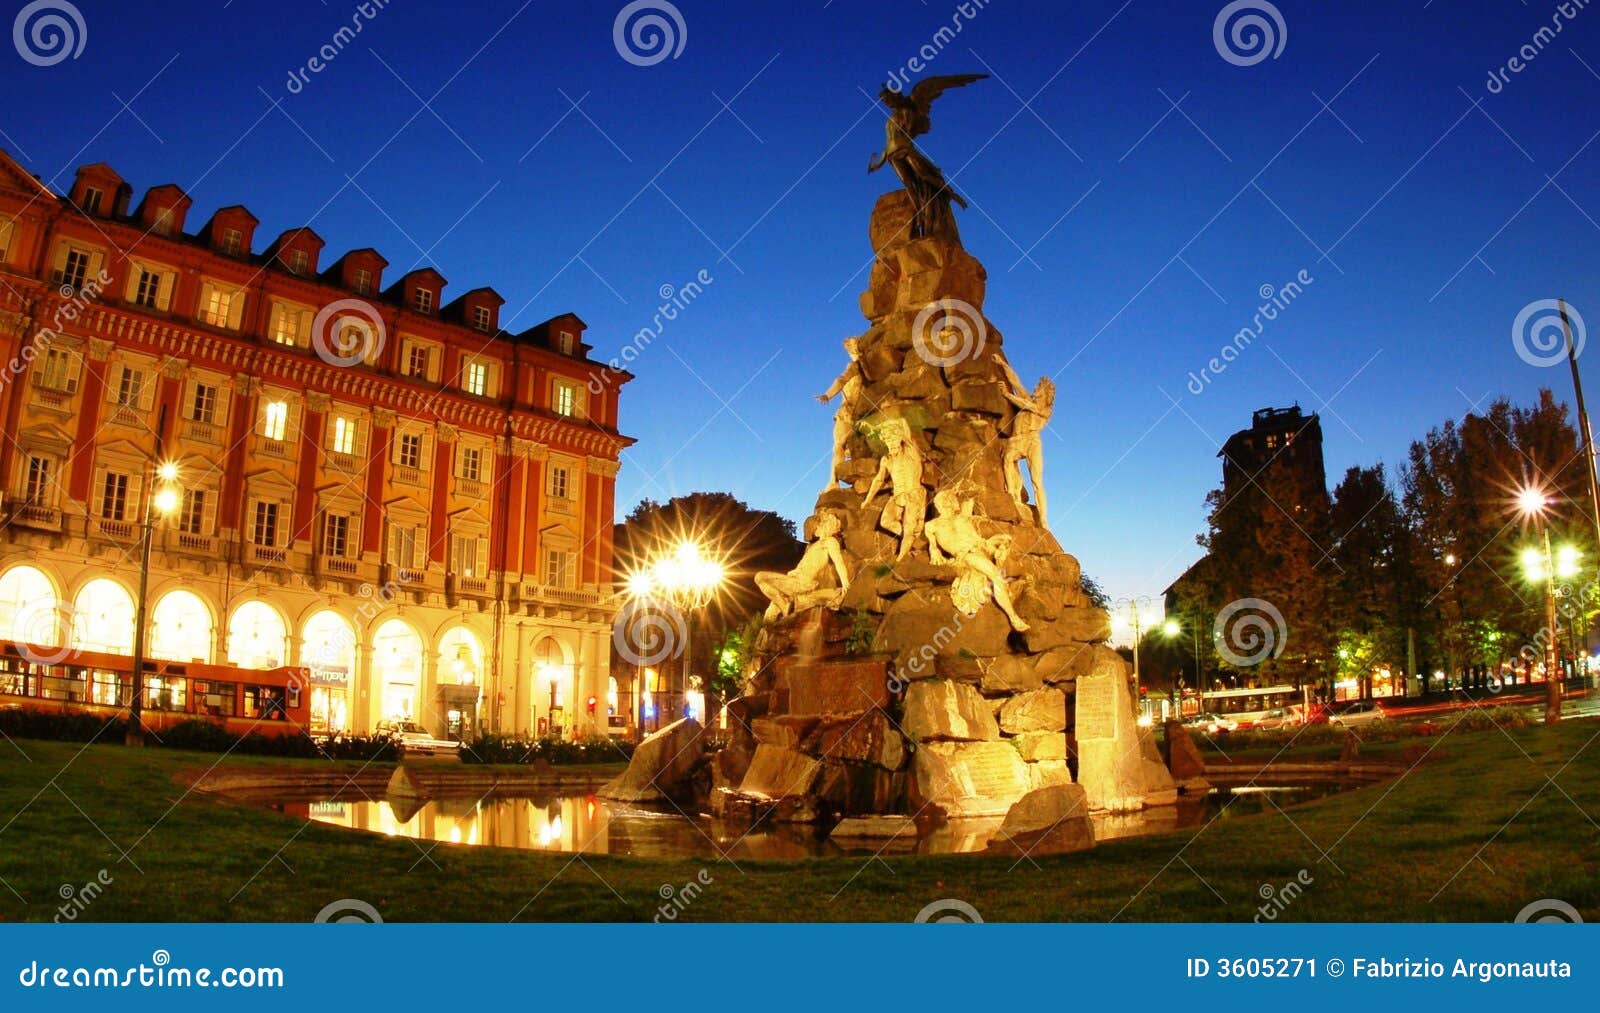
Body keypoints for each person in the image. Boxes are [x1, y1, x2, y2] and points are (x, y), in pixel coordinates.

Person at [755, 511, 852, 620]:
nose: (818, 526)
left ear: (830, 526)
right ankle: (785, 607)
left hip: (802, 583)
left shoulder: (830, 541)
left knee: (760, 577)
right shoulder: (814, 546)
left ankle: (785, 606)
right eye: (821, 523)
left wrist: (845, 583)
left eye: (824, 523)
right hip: (793, 580)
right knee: (769, 616)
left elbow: (838, 562)